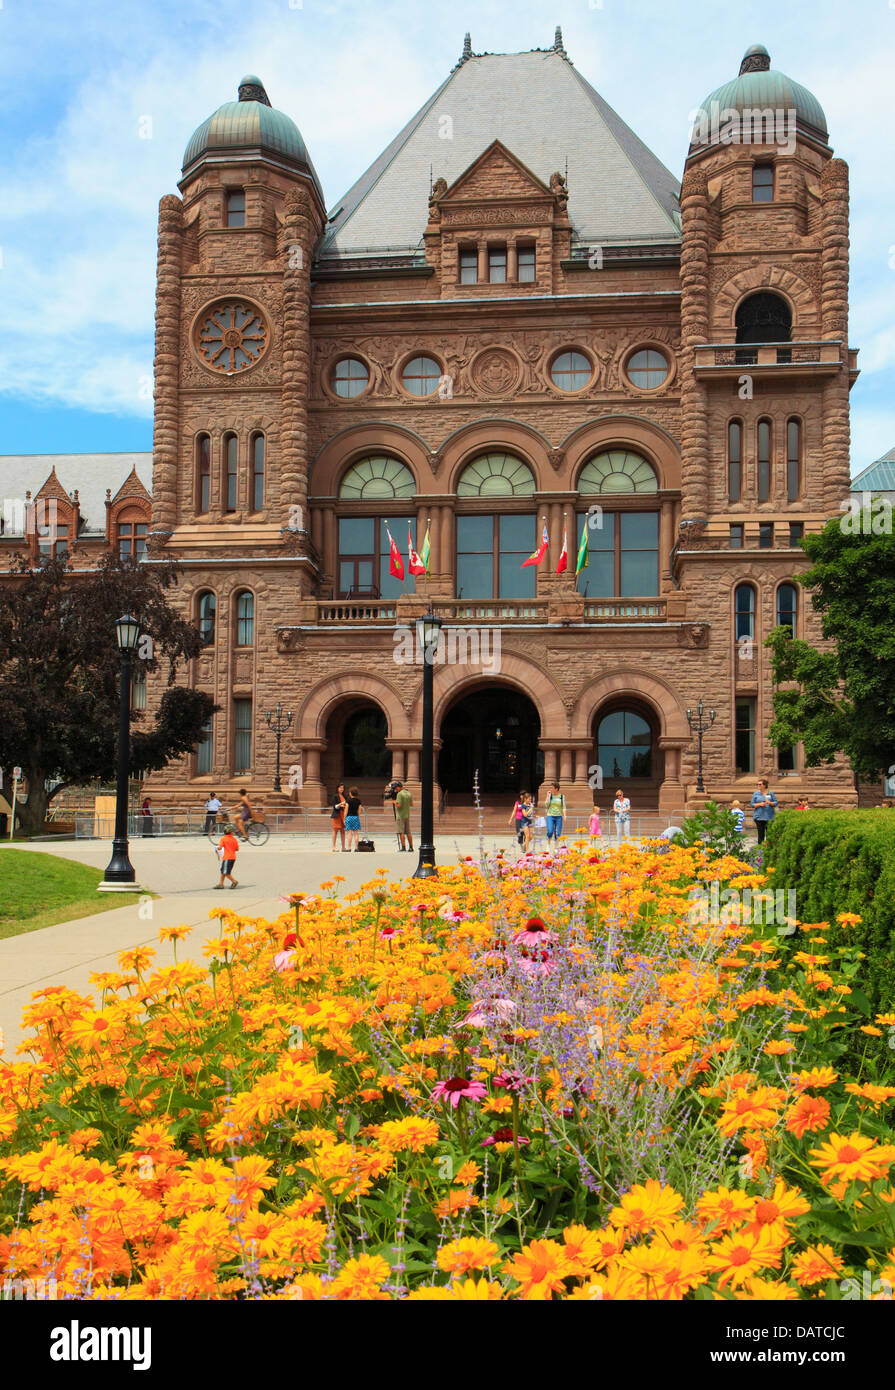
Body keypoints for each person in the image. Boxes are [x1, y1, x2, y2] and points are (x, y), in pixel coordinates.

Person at [751, 778, 778, 844]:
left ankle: (769, 849)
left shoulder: (770, 793)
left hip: (769, 817)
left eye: (760, 784)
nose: (758, 785)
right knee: (761, 835)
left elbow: (776, 803)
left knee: (769, 834)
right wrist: (760, 804)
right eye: (757, 784)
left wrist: (769, 803)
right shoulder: (755, 794)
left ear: (764, 785)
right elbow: (752, 804)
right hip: (759, 817)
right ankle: (760, 850)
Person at [393, 781, 413, 851]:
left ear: (399, 787)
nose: (395, 789)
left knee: (401, 832)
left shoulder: (399, 794)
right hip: (407, 815)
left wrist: (394, 802)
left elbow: (399, 805)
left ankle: (403, 847)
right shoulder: (408, 793)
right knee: (408, 832)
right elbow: (411, 804)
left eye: (395, 788)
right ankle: (411, 847)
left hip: (400, 816)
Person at [344, 786, 364, 851]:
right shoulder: (359, 801)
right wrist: (358, 817)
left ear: (350, 793)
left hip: (349, 817)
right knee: (356, 833)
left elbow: (346, 810)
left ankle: (349, 848)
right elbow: (359, 810)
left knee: (349, 833)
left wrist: (344, 818)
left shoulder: (348, 800)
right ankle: (356, 848)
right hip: (355, 817)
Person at [330, 784, 347, 852]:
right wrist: (341, 804)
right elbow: (335, 806)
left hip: (343, 815)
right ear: (337, 788)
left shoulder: (344, 796)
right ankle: (334, 847)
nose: (342, 789)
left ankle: (343, 847)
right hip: (337, 815)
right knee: (335, 831)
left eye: (343, 788)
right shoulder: (335, 796)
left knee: (343, 831)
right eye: (340, 788)